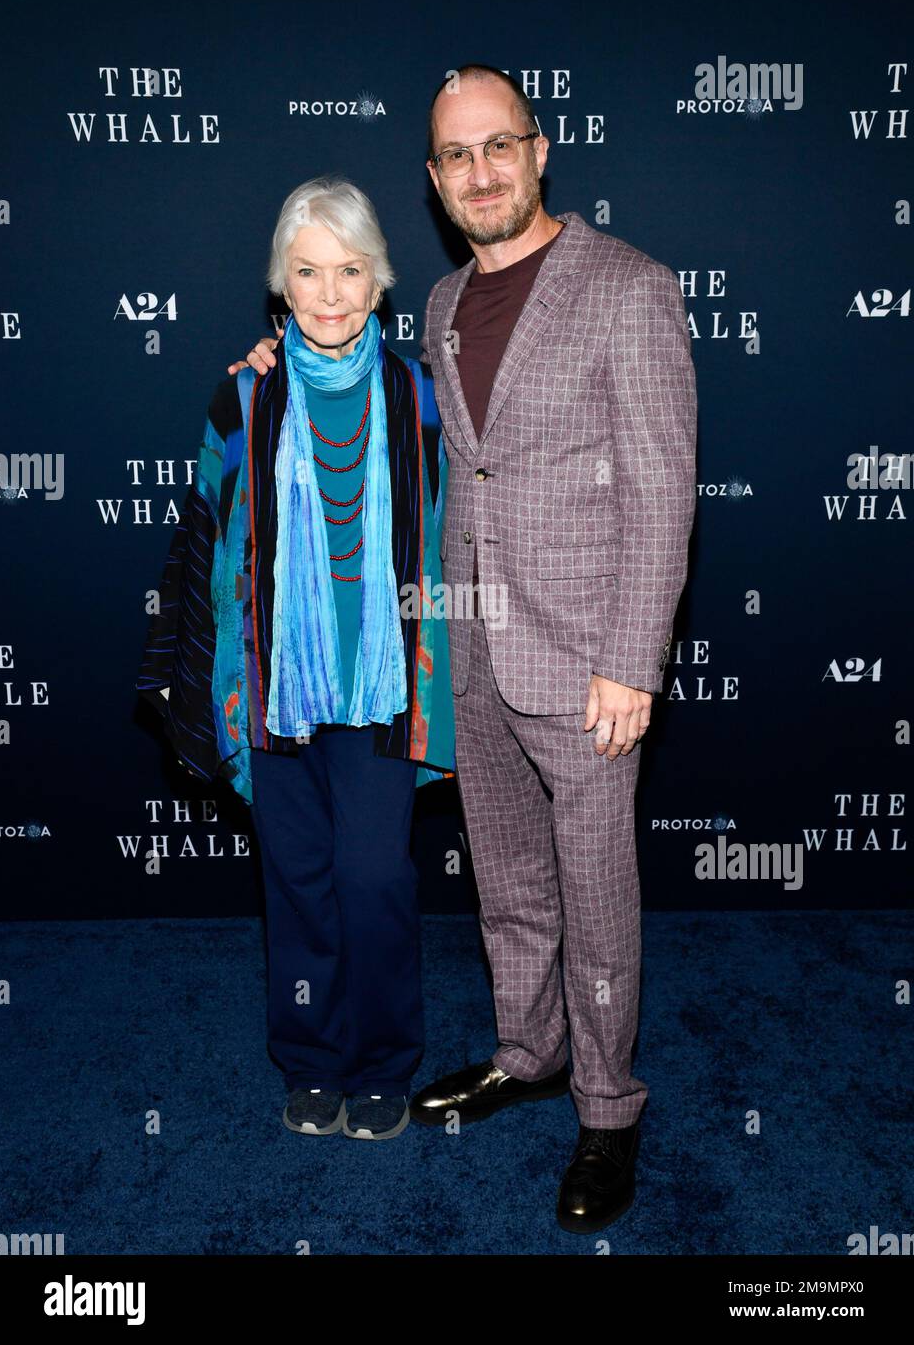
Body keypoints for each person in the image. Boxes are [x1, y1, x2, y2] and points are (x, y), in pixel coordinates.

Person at [233, 64, 697, 1232]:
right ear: (435, 183)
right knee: (508, 882)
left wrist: (632, 658)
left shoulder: (626, 287)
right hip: (464, 652)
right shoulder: (435, 310)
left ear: (538, 151)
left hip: (585, 653)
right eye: (455, 157)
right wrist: (264, 368)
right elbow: (405, 437)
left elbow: (660, 487)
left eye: (499, 146)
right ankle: (527, 1051)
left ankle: (606, 1107)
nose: (480, 171)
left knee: (594, 891)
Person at [136, 175, 455, 1143]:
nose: (328, 292)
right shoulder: (242, 395)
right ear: (281, 282)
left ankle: (385, 1060)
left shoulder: (420, 394)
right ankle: (312, 1058)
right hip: (273, 691)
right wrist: (211, 686)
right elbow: (205, 541)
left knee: (374, 879)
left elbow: (456, 532)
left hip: (383, 687)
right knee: (297, 882)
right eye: (308, 271)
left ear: (379, 279)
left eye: (348, 269)